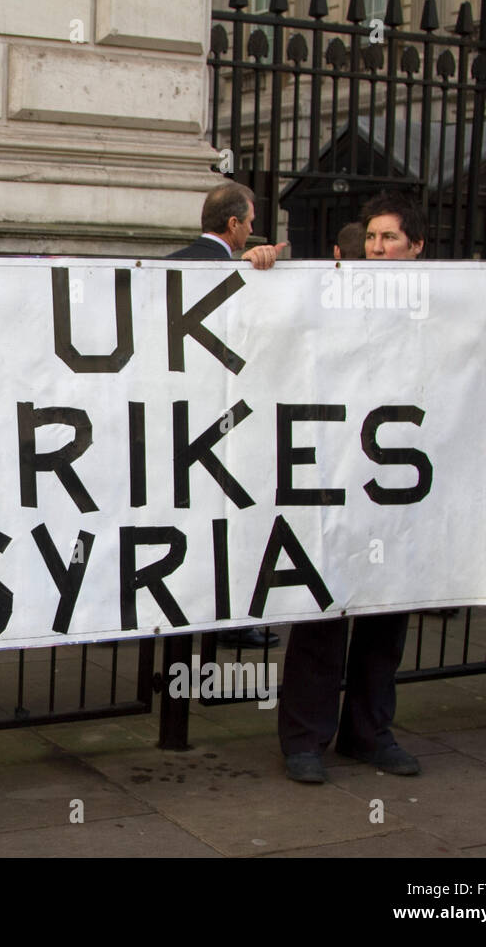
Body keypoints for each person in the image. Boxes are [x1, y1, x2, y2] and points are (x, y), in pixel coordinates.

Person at [279, 190, 425, 784]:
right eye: (371, 237)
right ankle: (305, 740)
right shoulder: (332, 289)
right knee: (323, 607)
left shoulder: (445, 302)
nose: (377, 248)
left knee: (386, 611)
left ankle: (369, 733)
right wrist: (258, 268)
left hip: (396, 481)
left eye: (390, 237)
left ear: (416, 246)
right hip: (336, 475)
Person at [169, 181, 283, 650]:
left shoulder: (169, 264)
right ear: (233, 224)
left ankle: (174, 621)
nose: (252, 231)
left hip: (178, 417)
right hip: (227, 422)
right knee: (229, 526)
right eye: (250, 222)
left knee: (184, 522)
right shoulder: (241, 272)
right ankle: (228, 619)